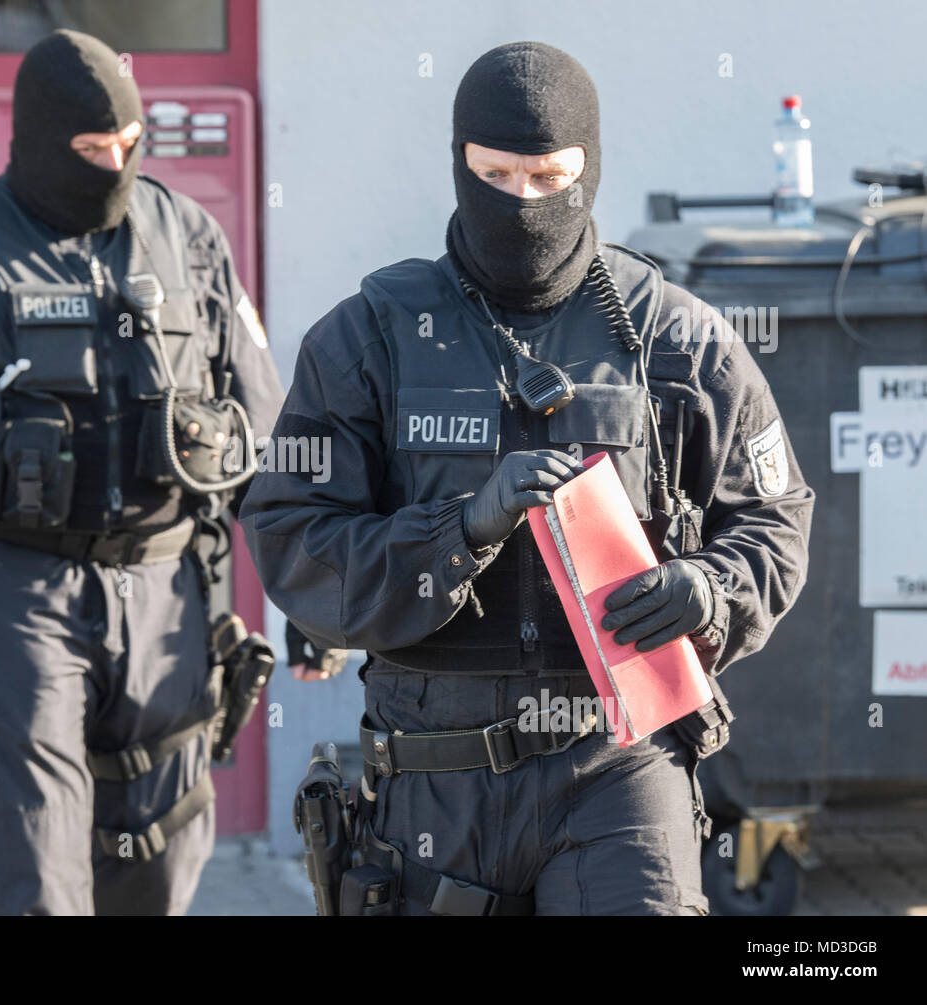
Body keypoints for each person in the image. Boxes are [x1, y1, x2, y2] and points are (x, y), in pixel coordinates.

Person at [242, 41, 815, 916]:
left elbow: (776, 519)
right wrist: (460, 529)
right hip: (436, 777)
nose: (523, 201)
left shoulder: (678, 339)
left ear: (591, 163)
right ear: (459, 164)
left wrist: (710, 589)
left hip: (618, 760)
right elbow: (291, 538)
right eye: (496, 174)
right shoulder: (369, 338)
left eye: (550, 177)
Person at [0, 30, 289, 915]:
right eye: (88, 149)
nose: (113, 163)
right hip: (11, 588)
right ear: (34, 140)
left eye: (128, 143)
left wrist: (323, 594)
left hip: (171, 588)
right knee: (31, 859)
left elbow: (263, 424)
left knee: (161, 846)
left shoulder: (187, 235)